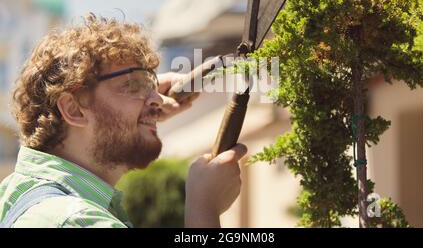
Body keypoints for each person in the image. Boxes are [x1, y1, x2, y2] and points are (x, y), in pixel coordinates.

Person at [0, 13, 247, 228]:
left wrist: (139, 111)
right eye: (131, 85)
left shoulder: (18, 193)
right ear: (73, 110)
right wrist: (204, 209)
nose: (157, 99)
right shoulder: (76, 220)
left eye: (151, 85)